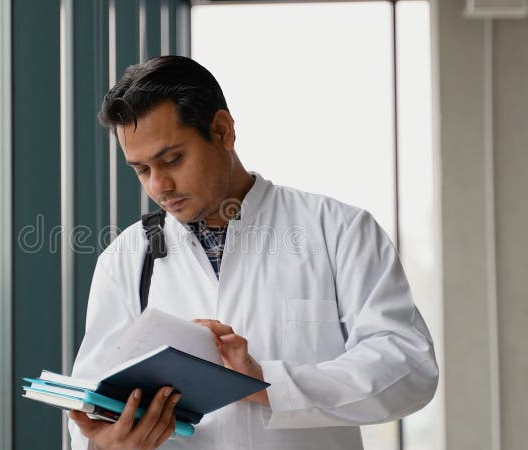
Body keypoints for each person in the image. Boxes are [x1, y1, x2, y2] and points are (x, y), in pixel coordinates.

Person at [67, 55, 438, 450]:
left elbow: (409, 367)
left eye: (172, 159)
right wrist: (109, 443)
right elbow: (90, 407)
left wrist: (269, 383)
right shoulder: (126, 259)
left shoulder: (339, 231)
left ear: (223, 131)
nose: (159, 186)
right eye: (142, 169)